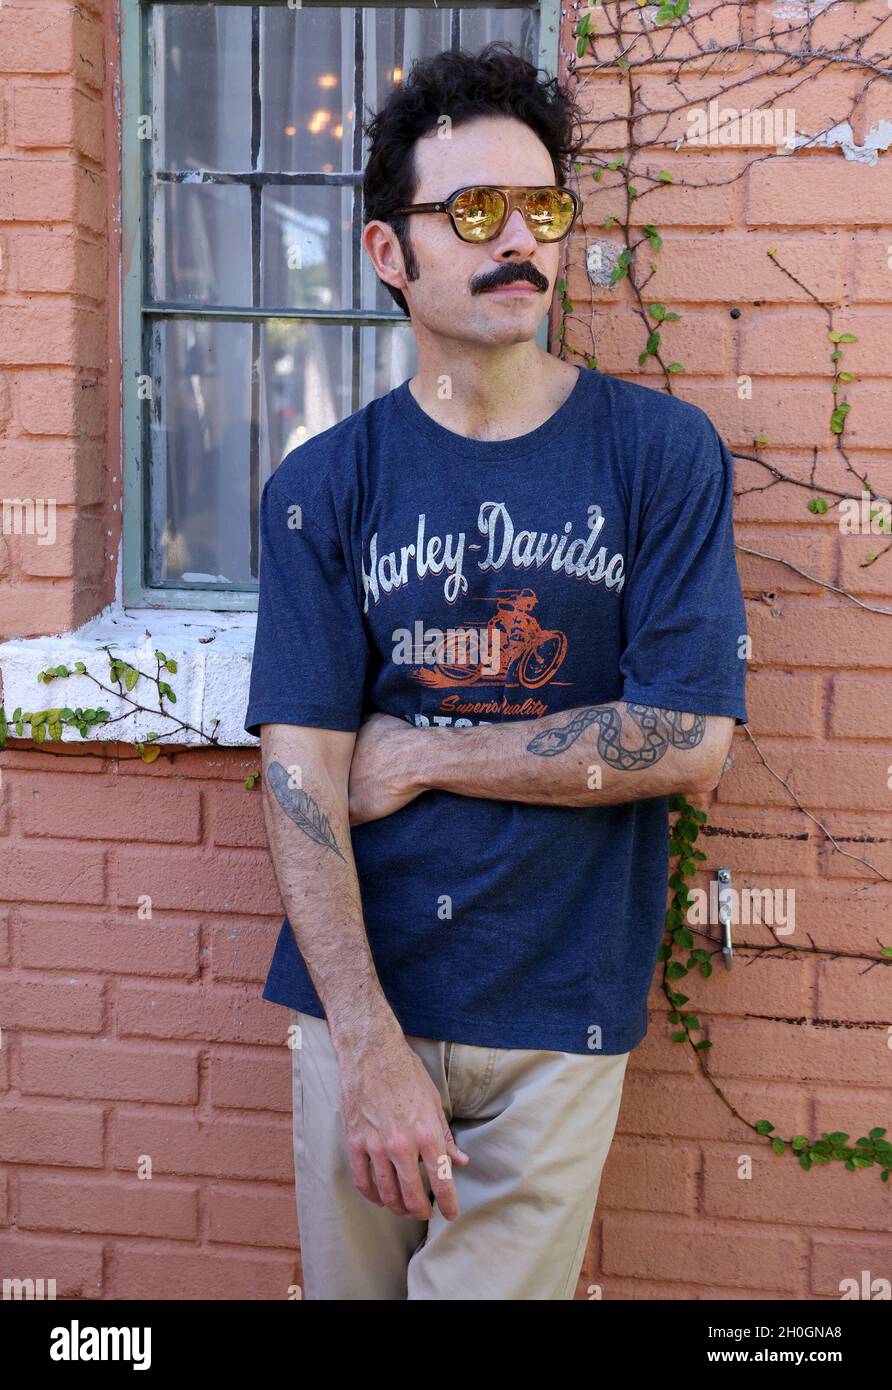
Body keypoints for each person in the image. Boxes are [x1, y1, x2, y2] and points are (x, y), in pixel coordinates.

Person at [244, 41, 748, 1301]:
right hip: (362, 1000)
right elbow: (300, 771)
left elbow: (685, 737)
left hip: (557, 1006)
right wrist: (363, 1046)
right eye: (471, 210)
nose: (515, 237)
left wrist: (422, 751)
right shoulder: (322, 489)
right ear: (385, 253)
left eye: (541, 208)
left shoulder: (660, 456)